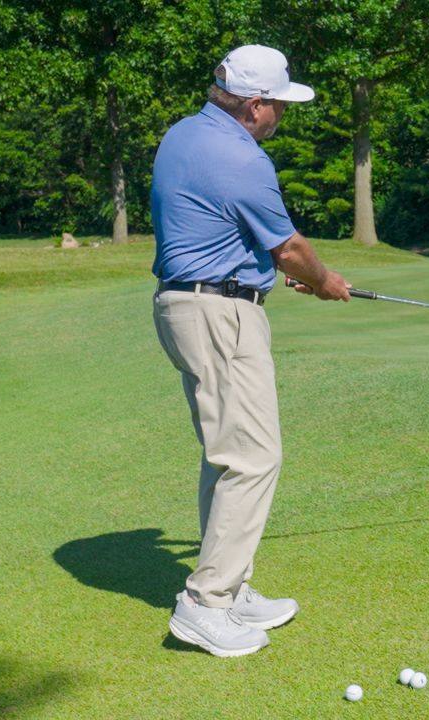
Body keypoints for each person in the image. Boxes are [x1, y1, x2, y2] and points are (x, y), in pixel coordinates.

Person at [150, 44, 351, 657]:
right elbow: (290, 248)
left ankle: (229, 587)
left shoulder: (184, 134)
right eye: (280, 106)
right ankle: (206, 605)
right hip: (219, 314)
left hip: (195, 302)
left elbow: (221, 227)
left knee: (226, 454)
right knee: (254, 457)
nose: (282, 117)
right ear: (256, 105)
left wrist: (254, 268)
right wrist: (325, 282)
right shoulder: (241, 156)